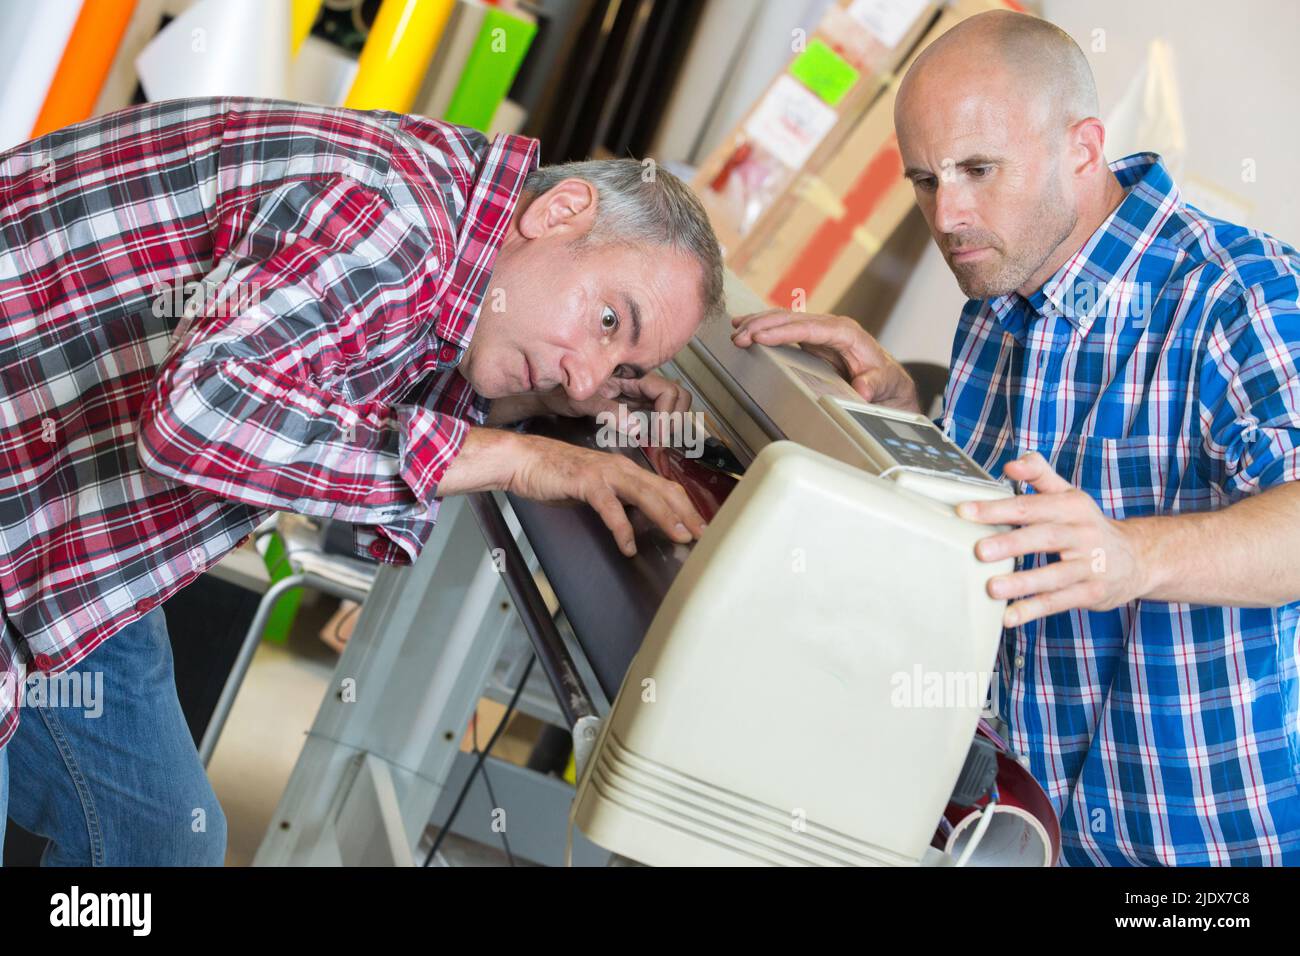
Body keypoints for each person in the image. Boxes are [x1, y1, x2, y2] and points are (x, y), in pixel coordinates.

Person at [0, 96, 720, 864]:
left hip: (50, 527)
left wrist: (550, 408)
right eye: (609, 321)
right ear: (562, 211)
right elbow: (197, 413)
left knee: (165, 844)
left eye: (624, 366)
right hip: (28, 503)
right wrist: (520, 457)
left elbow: (387, 358)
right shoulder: (395, 215)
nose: (588, 380)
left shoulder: (456, 223)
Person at [733, 10, 1300, 865]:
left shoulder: (1238, 293)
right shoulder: (996, 305)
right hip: (1036, 835)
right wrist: (900, 421)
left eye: (977, 169)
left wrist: (1135, 557)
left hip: (1219, 855)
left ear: (1082, 147)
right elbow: (992, 538)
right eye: (924, 179)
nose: (948, 214)